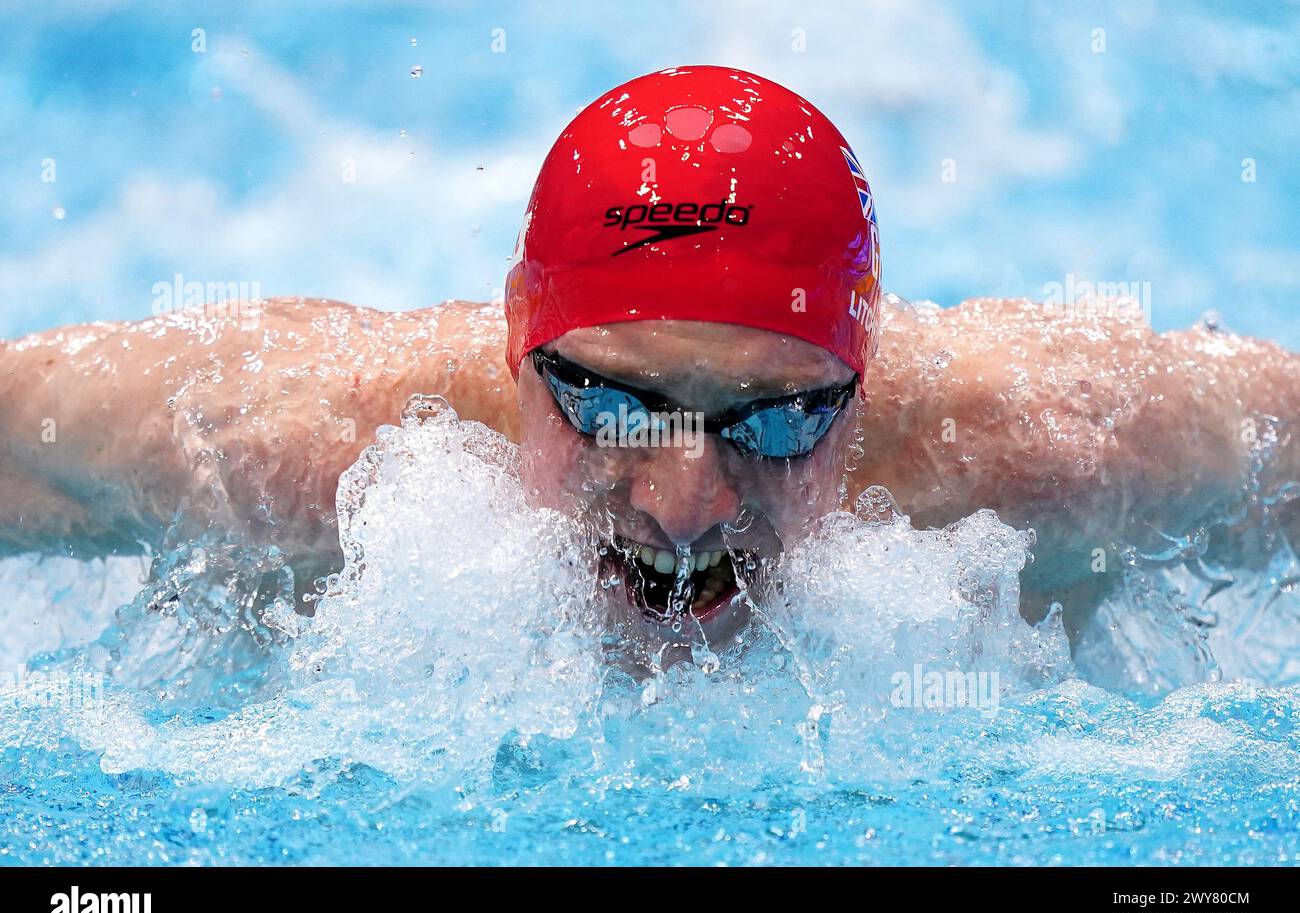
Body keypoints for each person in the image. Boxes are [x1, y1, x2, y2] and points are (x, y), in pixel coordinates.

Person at [1, 66, 1297, 659]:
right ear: (520, 338)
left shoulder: (1066, 449)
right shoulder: (295, 449)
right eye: (614, 401)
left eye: (777, 418)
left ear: (867, 370)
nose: (687, 505)